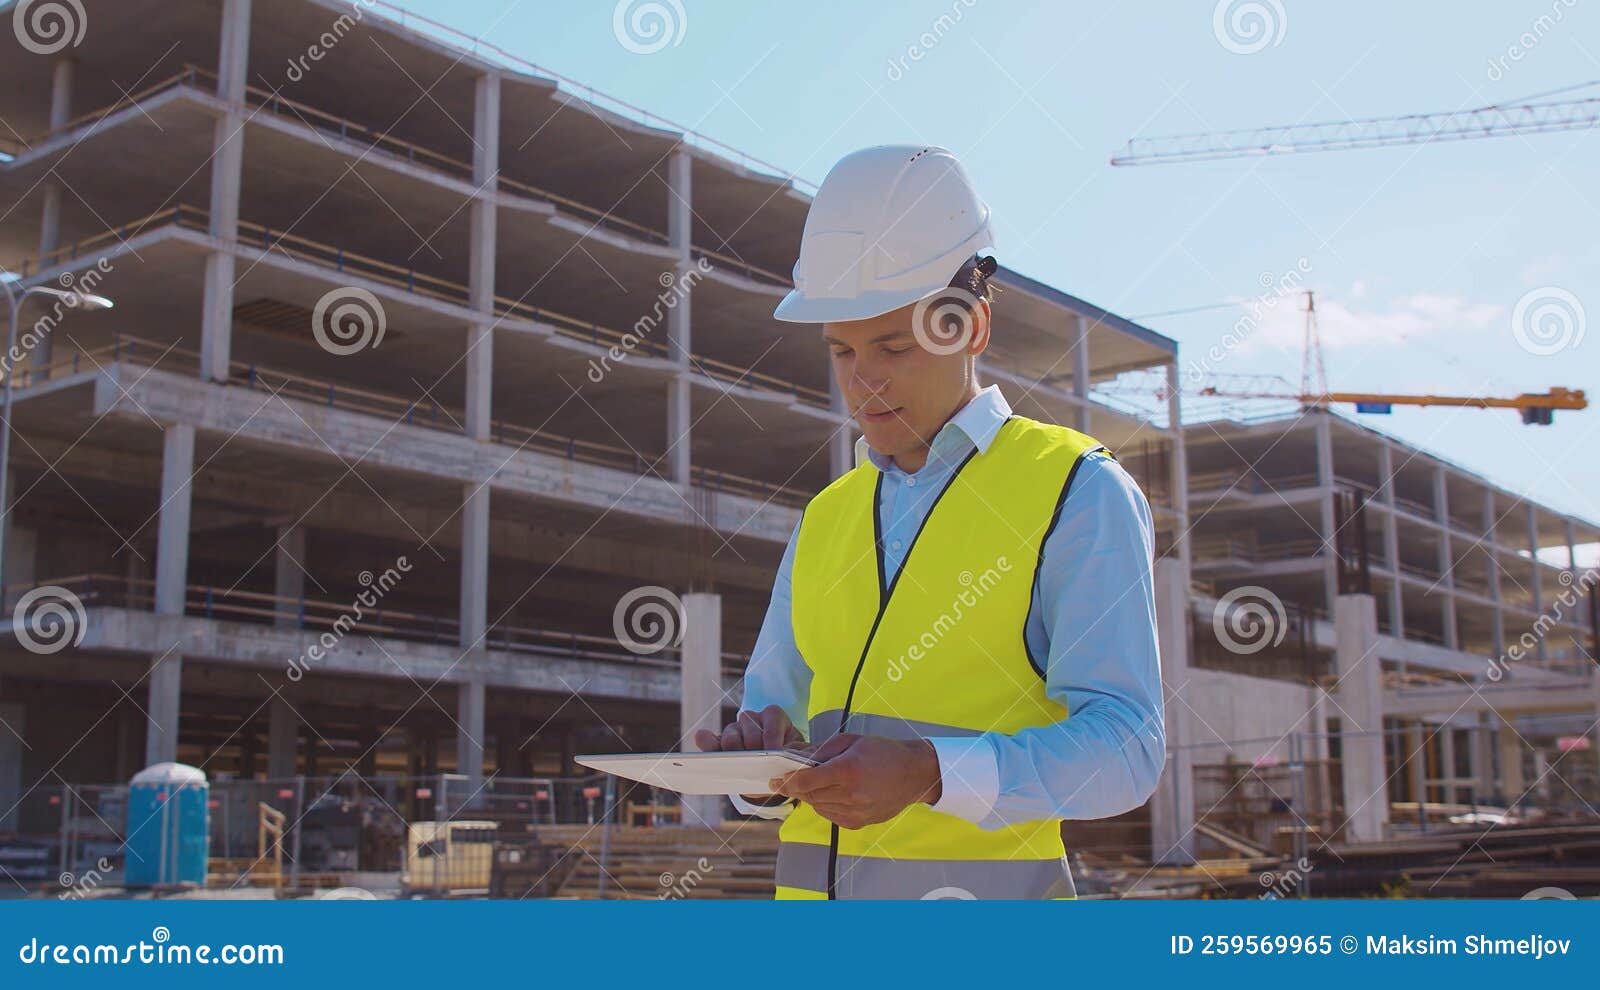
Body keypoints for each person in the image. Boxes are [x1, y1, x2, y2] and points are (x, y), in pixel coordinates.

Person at [695, 145, 1165, 900]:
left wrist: (929, 775)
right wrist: (757, 764)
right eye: (841, 350)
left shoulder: (1078, 490)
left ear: (970, 327)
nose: (862, 380)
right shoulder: (828, 516)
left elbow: (1127, 751)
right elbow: (772, 714)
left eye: (892, 346)